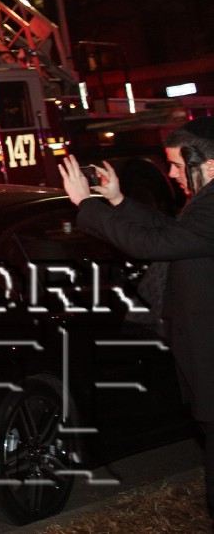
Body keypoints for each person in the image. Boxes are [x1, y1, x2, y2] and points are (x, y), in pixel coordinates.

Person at [61, 117, 214, 520]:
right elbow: (172, 232)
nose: (172, 175)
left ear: (210, 165)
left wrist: (87, 205)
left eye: (178, 165)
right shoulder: (205, 203)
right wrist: (118, 200)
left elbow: (153, 244)